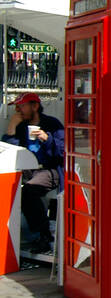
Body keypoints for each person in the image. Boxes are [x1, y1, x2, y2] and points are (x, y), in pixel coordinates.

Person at [2, 92, 64, 252]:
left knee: (29, 191)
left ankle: (43, 235)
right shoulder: (21, 127)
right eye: (16, 107)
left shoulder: (52, 124)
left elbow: (64, 150)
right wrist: (12, 127)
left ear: (35, 106)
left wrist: (46, 138)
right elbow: (9, 149)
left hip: (49, 169)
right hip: (26, 170)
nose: (18, 110)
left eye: (21, 106)